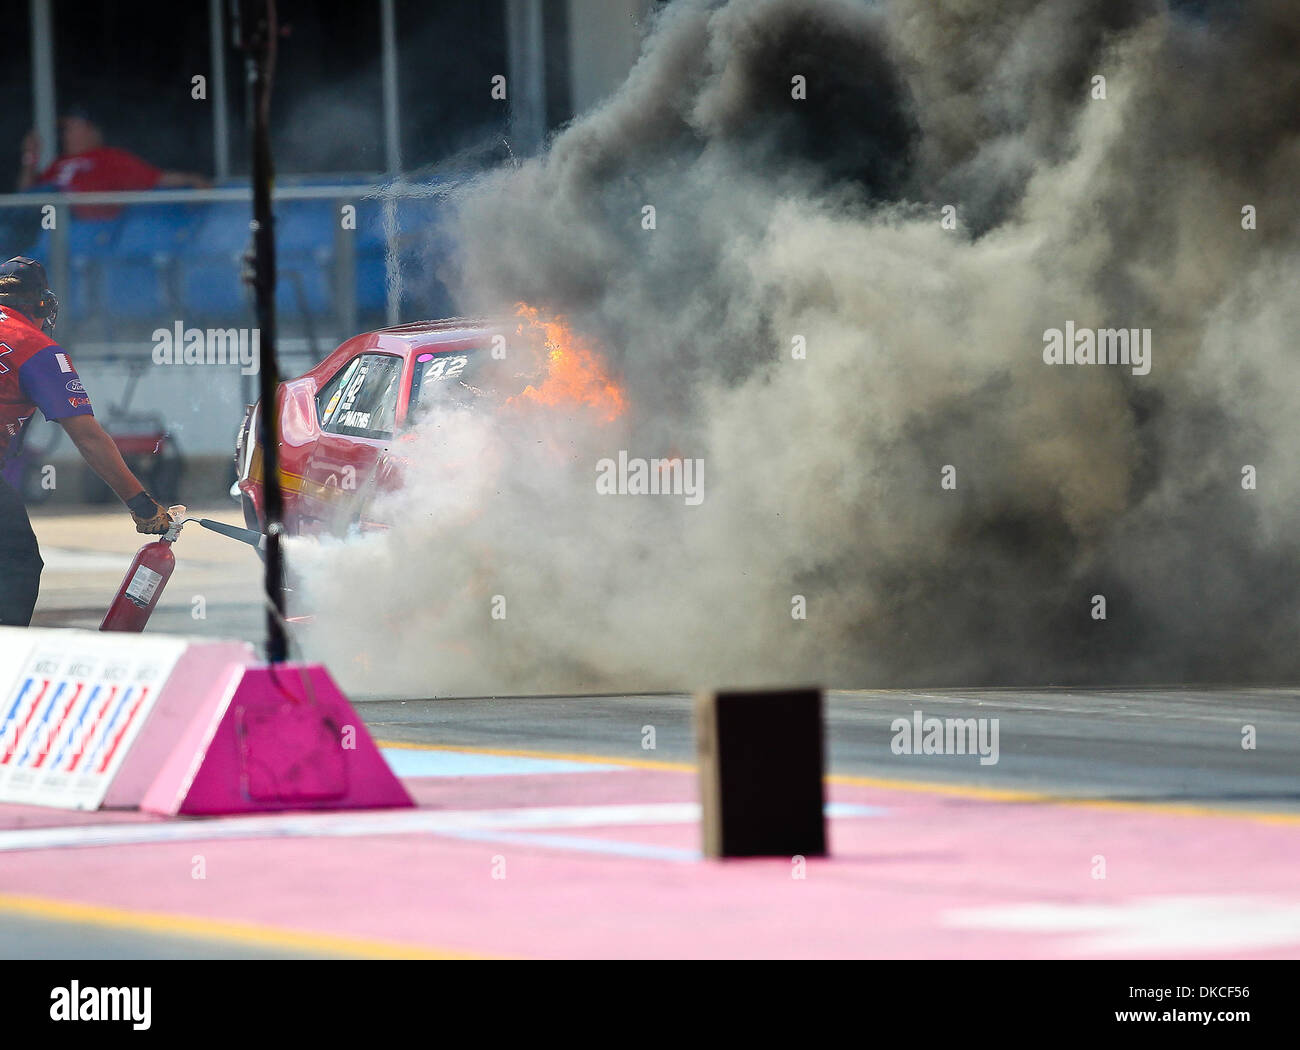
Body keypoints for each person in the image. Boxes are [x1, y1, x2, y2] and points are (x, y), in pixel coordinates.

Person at [0, 257, 174, 627]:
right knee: (16, 561)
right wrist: (141, 504)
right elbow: (88, 437)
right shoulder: (37, 348)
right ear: (40, 305)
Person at [17, 107, 210, 220]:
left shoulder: (110, 158)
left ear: (93, 131)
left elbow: (156, 178)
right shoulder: (59, 163)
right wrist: (30, 157)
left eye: (71, 127)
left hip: (77, 223)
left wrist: (193, 178)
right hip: (42, 223)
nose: (64, 133)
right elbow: (26, 195)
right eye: (64, 129)